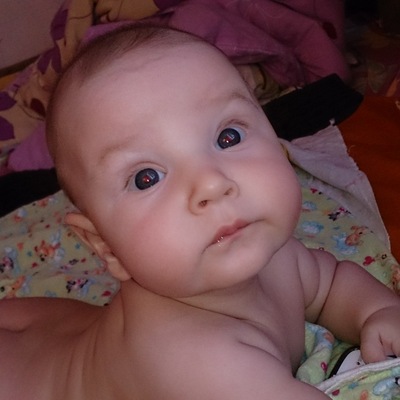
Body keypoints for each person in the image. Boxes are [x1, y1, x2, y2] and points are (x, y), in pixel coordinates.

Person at [0, 24, 399, 400]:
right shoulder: (195, 362)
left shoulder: (274, 256)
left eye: (229, 136)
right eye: (146, 178)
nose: (211, 183)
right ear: (104, 245)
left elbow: (329, 285)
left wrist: (378, 311)